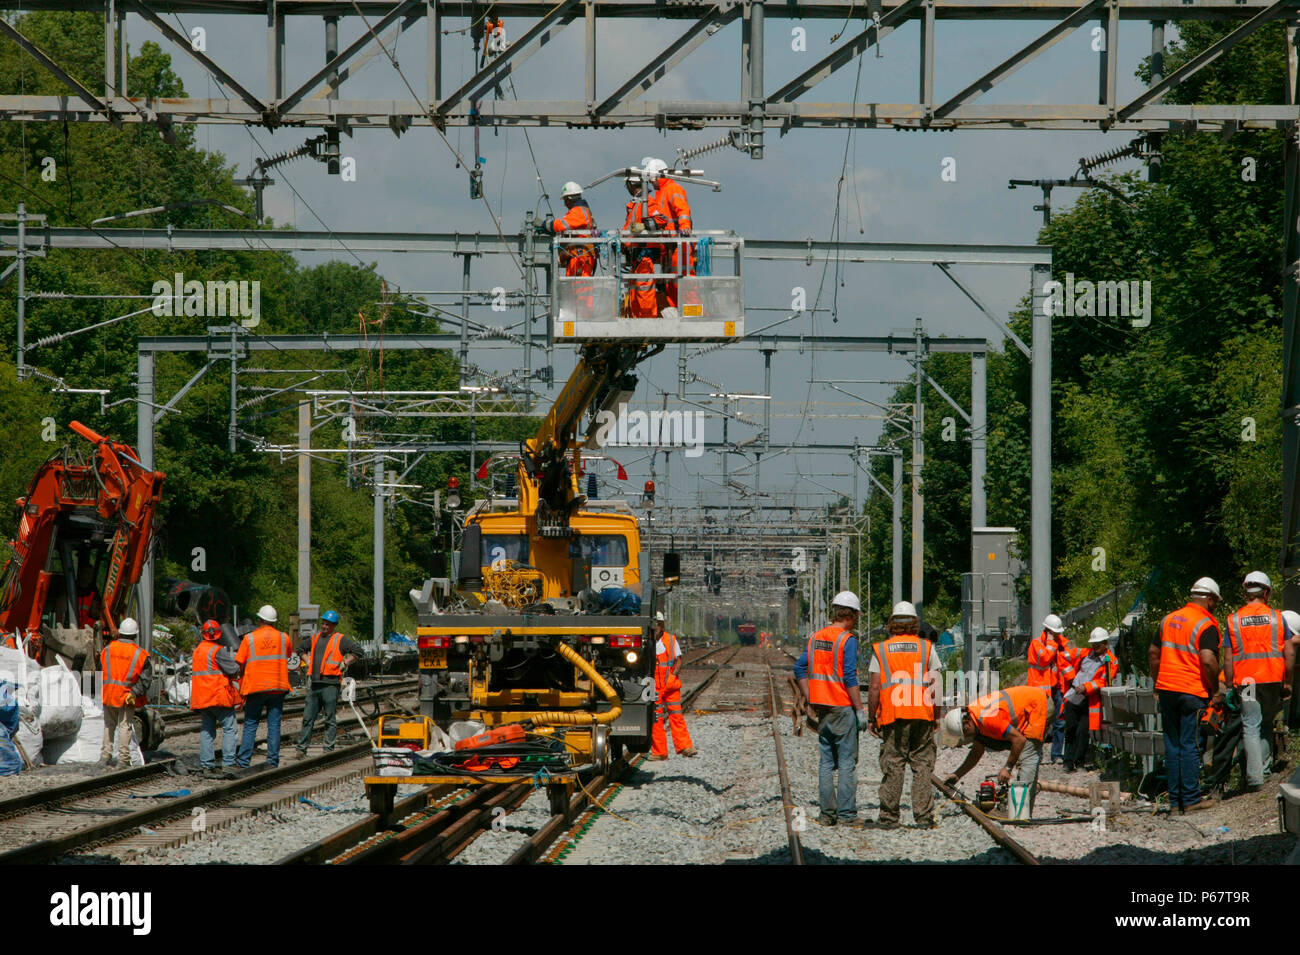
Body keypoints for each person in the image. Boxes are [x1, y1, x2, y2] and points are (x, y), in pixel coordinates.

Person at [1149, 577, 1223, 812]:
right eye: (1216, 602)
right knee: (1190, 745)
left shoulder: (1168, 619)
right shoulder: (1205, 624)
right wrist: (1215, 689)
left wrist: (1157, 682)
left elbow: (1153, 653)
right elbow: (1208, 660)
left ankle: (1174, 802)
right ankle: (1191, 799)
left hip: (1167, 690)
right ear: (1209, 599)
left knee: (1172, 745)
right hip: (1192, 691)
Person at [794, 591, 867, 827]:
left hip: (822, 708)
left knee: (826, 763)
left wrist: (809, 696)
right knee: (846, 762)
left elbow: (799, 669)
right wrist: (859, 709)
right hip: (842, 708)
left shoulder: (816, 637)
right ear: (853, 615)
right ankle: (846, 815)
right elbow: (849, 677)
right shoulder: (848, 640)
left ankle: (827, 815)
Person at [867, 601, 940, 829]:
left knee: (894, 764)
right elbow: (936, 683)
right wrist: (937, 715)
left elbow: (875, 688)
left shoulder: (882, 649)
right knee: (922, 766)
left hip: (893, 714)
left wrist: (871, 717)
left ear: (891, 624)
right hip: (921, 713)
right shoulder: (926, 647)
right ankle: (924, 818)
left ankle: (889, 818)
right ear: (914, 624)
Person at [1222, 571, 1294, 792]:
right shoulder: (1277, 617)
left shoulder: (1233, 620)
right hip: (1272, 678)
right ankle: (1263, 769)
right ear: (1267, 592)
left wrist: (1230, 682)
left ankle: (1254, 778)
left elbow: (1227, 656)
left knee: (1250, 725)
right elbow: (1289, 652)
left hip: (1247, 681)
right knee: (1265, 723)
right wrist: (1288, 681)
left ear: (1246, 593)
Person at [941, 684, 1050, 810]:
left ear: (967, 724)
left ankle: (1021, 814)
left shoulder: (988, 718)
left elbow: (1019, 739)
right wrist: (957, 774)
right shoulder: (974, 717)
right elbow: (976, 752)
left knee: (1027, 757)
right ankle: (1017, 806)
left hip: (1038, 704)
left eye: (965, 734)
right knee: (1022, 753)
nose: (966, 738)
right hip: (1030, 705)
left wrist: (1007, 768)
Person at [295, 610, 364, 758]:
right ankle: (301, 749)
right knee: (308, 718)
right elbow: (300, 649)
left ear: (334, 626)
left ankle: (328, 749)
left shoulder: (340, 640)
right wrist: (307, 660)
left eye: (328, 624)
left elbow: (358, 651)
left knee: (330, 719)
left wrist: (346, 662)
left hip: (331, 684)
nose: (324, 626)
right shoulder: (315, 638)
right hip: (314, 684)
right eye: (324, 623)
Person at [235, 605, 292, 771]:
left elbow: (239, 662)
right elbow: (288, 656)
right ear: (274, 622)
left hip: (256, 687)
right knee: (274, 725)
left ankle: (244, 761)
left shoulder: (249, 638)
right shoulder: (284, 638)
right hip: (277, 687)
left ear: (259, 620)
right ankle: (273, 761)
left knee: (251, 724)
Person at [1060, 627, 1118, 772]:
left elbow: (1104, 681)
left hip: (1089, 700)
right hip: (1073, 696)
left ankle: (1079, 762)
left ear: (1106, 643)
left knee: (1083, 731)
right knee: (1071, 728)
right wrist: (1071, 678)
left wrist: (1086, 687)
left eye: (1098, 644)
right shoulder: (1083, 653)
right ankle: (1068, 761)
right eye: (1093, 644)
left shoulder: (1111, 661)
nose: (1095, 647)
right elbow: (1062, 657)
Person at [191, 618, 242, 779]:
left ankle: (207, 765)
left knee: (207, 731)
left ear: (203, 634)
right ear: (218, 634)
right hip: (218, 696)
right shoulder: (217, 651)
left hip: (202, 698)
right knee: (230, 728)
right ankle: (228, 764)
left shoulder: (198, 650)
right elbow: (233, 669)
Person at [99, 617, 151, 767]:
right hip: (126, 696)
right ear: (135, 635)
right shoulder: (140, 654)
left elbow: (99, 669)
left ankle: (105, 756)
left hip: (108, 693)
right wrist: (134, 693)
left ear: (120, 633)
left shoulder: (107, 649)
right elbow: (145, 680)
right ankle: (123, 759)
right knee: (124, 727)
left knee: (109, 725)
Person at [645, 158, 694, 310]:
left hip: (679, 245)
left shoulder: (673, 189)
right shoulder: (660, 194)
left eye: (652, 180)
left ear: (658, 176)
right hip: (668, 247)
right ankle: (675, 314)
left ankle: (692, 315)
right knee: (671, 284)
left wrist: (685, 226)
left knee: (686, 284)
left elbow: (683, 209)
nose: (651, 184)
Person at [649, 611, 697, 760]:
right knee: (656, 719)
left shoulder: (670, 639)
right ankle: (660, 752)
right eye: (655, 624)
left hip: (670, 684)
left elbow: (679, 660)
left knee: (676, 715)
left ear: (662, 625)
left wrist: (673, 675)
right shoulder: (646, 640)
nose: (657, 626)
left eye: (659, 624)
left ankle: (685, 747)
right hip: (653, 684)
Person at [1026, 614, 1067, 762]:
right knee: (1040, 724)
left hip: (1057, 687)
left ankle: (1056, 755)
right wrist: (1051, 644)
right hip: (1040, 691)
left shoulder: (1061, 643)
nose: (1058, 635)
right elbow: (1044, 659)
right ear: (1049, 631)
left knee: (1060, 721)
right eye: (1056, 632)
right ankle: (1035, 755)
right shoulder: (1037, 644)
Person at [622, 168, 661, 318]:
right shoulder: (637, 204)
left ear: (632, 184)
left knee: (644, 292)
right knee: (636, 292)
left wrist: (644, 226)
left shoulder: (647, 202)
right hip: (637, 258)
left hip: (644, 257)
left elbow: (660, 219)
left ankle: (647, 321)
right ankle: (639, 320)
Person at [543, 181, 598, 278]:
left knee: (581, 290)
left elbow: (561, 225)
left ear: (569, 199)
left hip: (581, 259)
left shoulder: (578, 211)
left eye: (565, 200)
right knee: (574, 290)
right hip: (578, 258)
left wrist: (546, 224)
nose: (565, 204)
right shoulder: (581, 210)